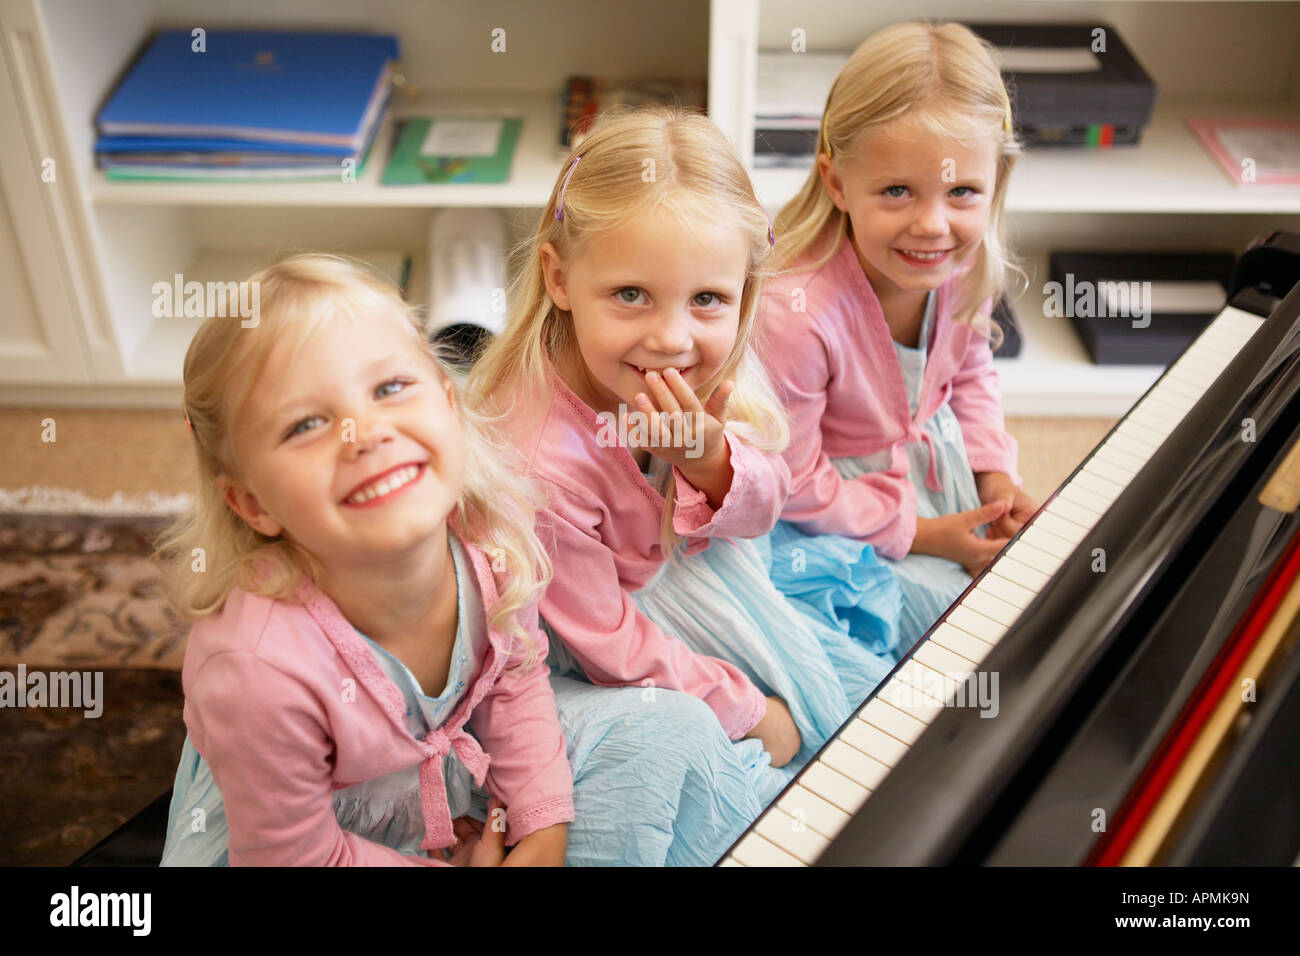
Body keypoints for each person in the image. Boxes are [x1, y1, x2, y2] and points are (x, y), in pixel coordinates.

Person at [468, 105, 899, 857]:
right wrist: (746, 708)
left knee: (878, 708)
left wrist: (707, 460)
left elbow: (768, 502)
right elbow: (606, 643)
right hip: (578, 650)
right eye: (630, 294)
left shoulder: (704, 357)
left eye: (707, 300)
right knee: (736, 776)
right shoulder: (534, 461)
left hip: (685, 589)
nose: (671, 337)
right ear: (559, 277)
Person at [154, 254, 679, 866]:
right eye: (305, 424)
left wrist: (541, 828)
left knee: (666, 737)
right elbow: (300, 858)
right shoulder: (255, 671)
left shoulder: (491, 531)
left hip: (444, 765)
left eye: (390, 388)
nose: (367, 433)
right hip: (310, 838)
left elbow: (515, 681)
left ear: (449, 404)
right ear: (251, 503)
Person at [758, 21, 1039, 653]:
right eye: (896, 192)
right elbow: (795, 486)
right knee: (957, 636)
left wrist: (994, 474)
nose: (933, 225)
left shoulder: (965, 263)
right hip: (831, 512)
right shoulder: (796, 314)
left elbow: (968, 376)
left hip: (930, 470)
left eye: (963, 191)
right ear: (837, 183)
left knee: (1024, 602)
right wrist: (928, 534)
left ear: (997, 182)